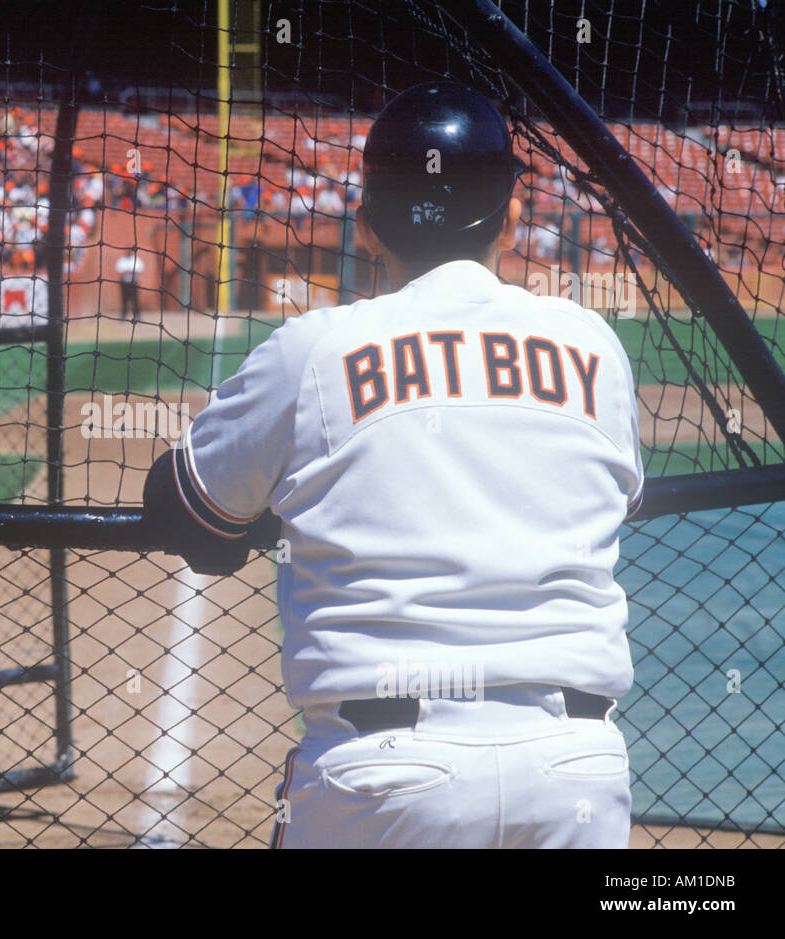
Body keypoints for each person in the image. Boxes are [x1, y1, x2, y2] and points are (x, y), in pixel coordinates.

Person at [142, 82, 644, 849]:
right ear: (513, 212)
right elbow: (608, 502)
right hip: (575, 767)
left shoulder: (314, 349)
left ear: (370, 224)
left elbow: (190, 512)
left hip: (385, 776)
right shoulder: (594, 346)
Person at [115, 250, 145, 320]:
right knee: (124, 300)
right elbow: (119, 270)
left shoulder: (136, 260)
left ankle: (137, 315)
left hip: (133, 283)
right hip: (124, 282)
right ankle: (123, 315)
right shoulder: (122, 260)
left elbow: (139, 269)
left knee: (135, 300)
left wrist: (128, 270)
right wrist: (128, 270)